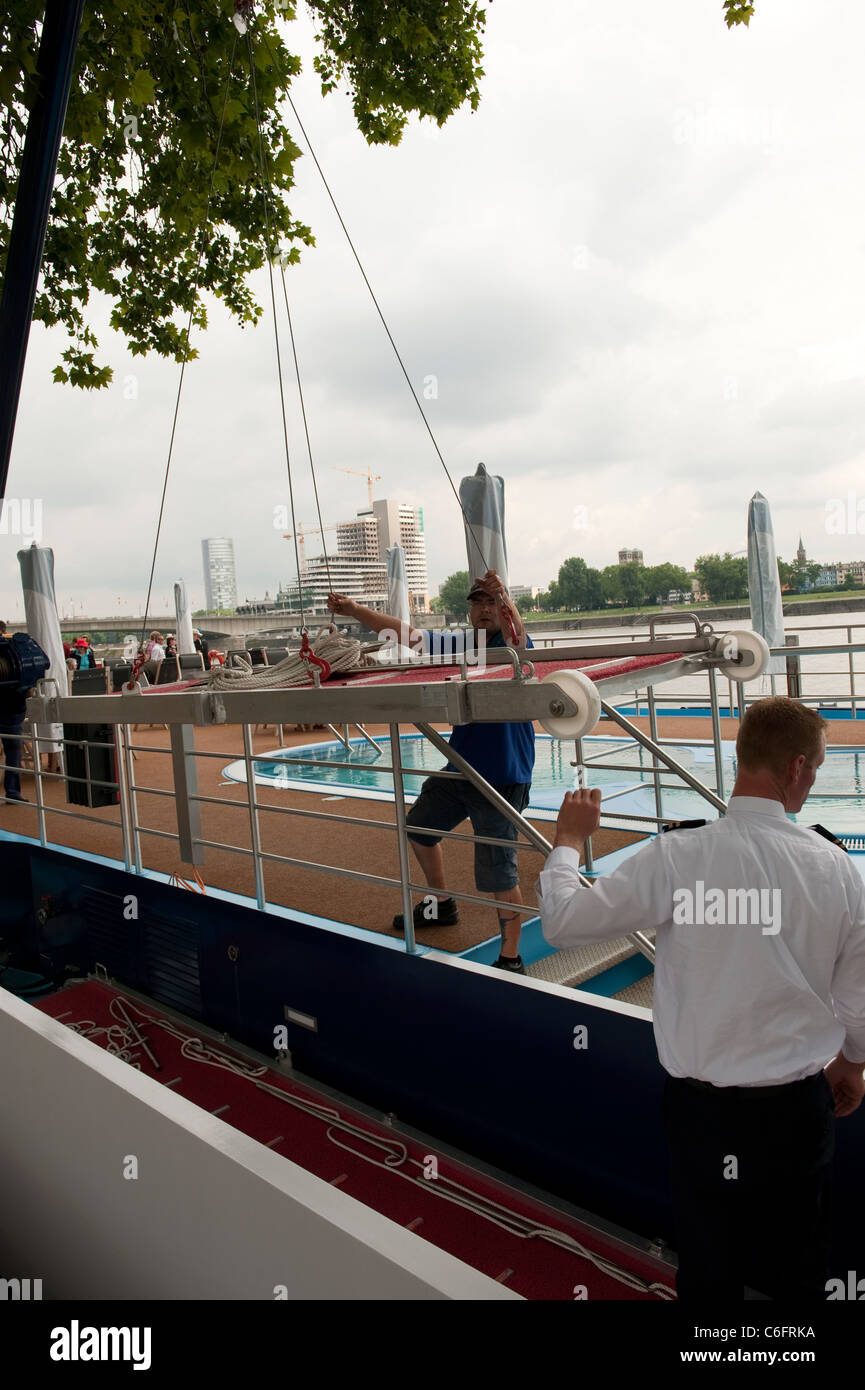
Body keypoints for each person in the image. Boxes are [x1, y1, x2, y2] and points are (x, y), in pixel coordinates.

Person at [536, 696, 865, 1300]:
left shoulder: (678, 855)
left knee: (710, 1265)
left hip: (702, 1116)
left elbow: (562, 924)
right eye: (815, 767)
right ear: (794, 768)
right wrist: (853, 1062)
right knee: (798, 1267)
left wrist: (568, 842)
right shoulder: (839, 870)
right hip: (796, 1112)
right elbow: (858, 998)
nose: (813, 780)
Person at [327, 570, 534, 973]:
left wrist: (504, 596)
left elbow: (517, 632)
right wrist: (353, 609)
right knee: (419, 826)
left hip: (503, 776)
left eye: (492, 603)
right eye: (479, 602)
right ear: (470, 611)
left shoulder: (513, 646)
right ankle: (440, 904)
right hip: (461, 768)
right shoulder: (463, 646)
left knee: (498, 870)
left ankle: (511, 957)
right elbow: (404, 633)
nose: (486, 609)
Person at [0, 624, 30, 804]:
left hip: (11, 708)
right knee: (12, 752)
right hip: (12, 709)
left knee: (13, 751)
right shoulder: (13, 650)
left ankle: (12, 792)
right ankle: (12, 792)